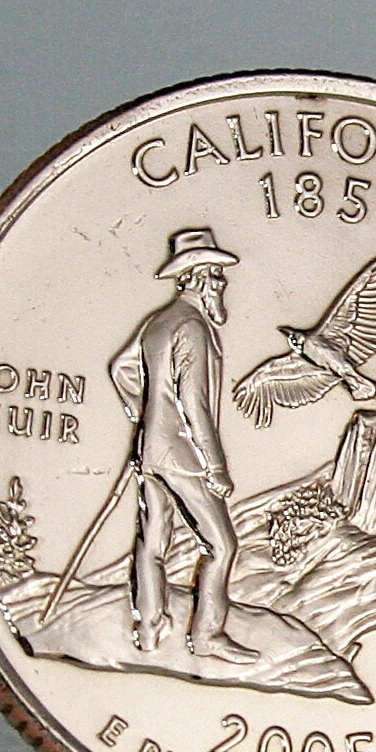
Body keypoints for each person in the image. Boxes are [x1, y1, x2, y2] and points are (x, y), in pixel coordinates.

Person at [109, 228, 258, 663]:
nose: (222, 283)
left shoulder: (158, 322)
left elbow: (121, 369)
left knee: (152, 541)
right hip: (182, 456)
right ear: (197, 277)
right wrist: (216, 466)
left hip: (150, 451)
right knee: (222, 545)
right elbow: (195, 403)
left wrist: (146, 415)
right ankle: (207, 635)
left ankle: (148, 628)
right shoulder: (192, 326)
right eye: (216, 275)